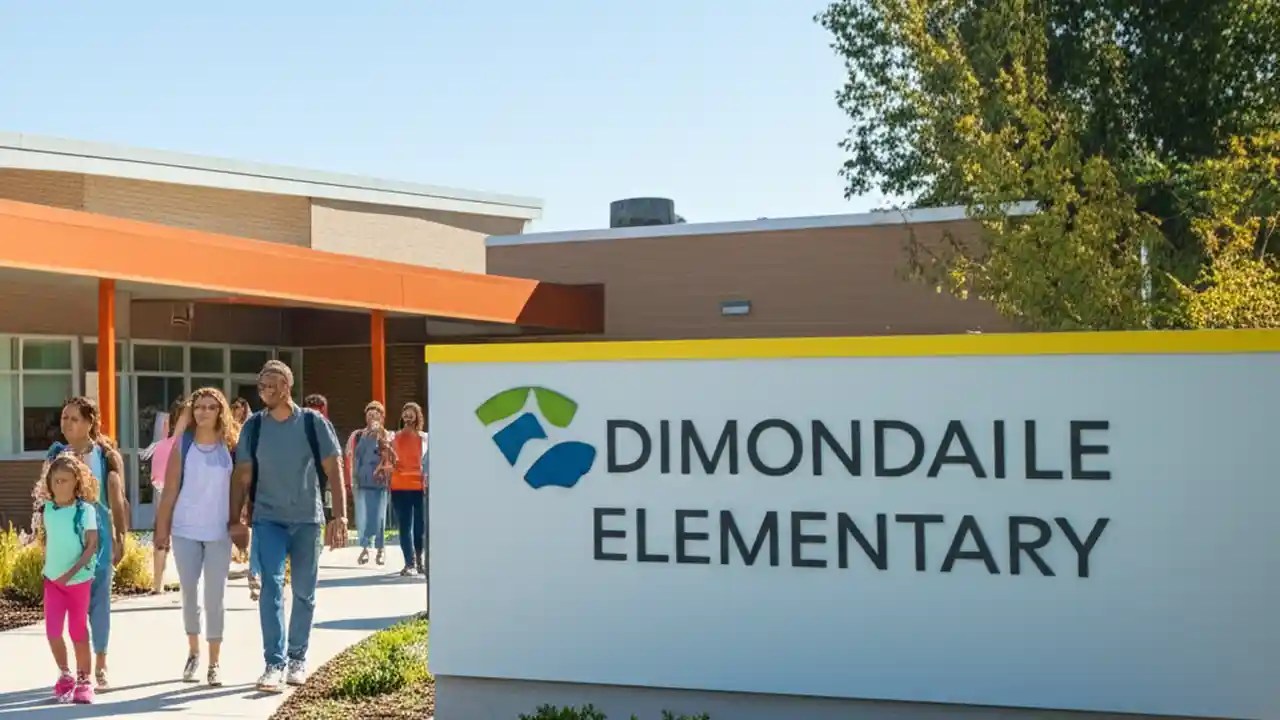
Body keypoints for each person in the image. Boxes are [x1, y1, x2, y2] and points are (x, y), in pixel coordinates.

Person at [228, 361, 348, 692]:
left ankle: (297, 658)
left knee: (305, 593)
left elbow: (334, 467)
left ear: (287, 385)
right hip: (269, 519)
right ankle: (274, 663)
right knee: (271, 587)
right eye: (260, 383)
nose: (263, 388)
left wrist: (341, 516)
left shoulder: (312, 423)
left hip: (308, 520)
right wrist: (234, 519)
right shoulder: (253, 427)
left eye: (270, 383)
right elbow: (242, 476)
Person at [31, 396, 129, 692]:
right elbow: (43, 496)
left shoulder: (105, 455)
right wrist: (42, 535)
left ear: (90, 422)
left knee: (98, 601)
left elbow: (118, 499)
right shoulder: (55, 453)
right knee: (71, 604)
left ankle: (99, 663)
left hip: (95, 538)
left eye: (74, 418)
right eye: (64, 417)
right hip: (64, 539)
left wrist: (121, 535)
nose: (67, 423)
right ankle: (75, 670)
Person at [154, 388, 241, 687]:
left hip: (219, 531)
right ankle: (194, 652)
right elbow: (169, 490)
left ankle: (214, 661)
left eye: (210, 407)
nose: (204, 412)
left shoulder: (231, 446)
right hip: (185, 529)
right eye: (199, 407)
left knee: (214, 596)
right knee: (190, 594)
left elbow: (241, 489)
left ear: (220, 412)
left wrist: (241, 523)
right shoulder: (184, 444)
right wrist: (161, 530)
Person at [39, 453, 102, 704]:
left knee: (78, 631)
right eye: (55, 481)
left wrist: (70, 573)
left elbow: (91, 546)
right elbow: (49, 541)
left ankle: (85, 679)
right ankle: (65, 674)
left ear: (76, 482)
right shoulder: (47, 510)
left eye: (65, 481)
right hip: (52, 581)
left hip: (78, 582)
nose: (59, 486)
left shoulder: (84, 510)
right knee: (53, 631)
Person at [144, 398, 190, 594]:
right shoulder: (180, 445)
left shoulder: (166, 445)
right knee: (169, 537)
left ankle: (161, 583)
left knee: (166, 537)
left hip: (173, 496)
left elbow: (156, 477)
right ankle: (164, 582)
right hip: (177, 496)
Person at [346, 401, 393, 565]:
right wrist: (352, 479)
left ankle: (381, 549)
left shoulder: (387, 435)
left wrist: (381, 437)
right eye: (370, 414)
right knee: (363, 517)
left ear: (382, 417)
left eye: (376, 414)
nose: (372, 417)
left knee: (379, 516)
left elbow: (392, 457)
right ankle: (365, 548)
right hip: (362, 480)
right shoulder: (359, 435)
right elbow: (352, 457)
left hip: (379, 481)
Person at [390, 402, 429, 577]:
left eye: (411, 413)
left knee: (419, 526)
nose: (407, 416)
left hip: (419, 487)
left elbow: (428, 463)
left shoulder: (424, 438)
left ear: (417, 416)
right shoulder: (393, 437)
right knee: (404, 526)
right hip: (398, 486)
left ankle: (420, 561)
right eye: (405, 413)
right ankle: (409, 562)